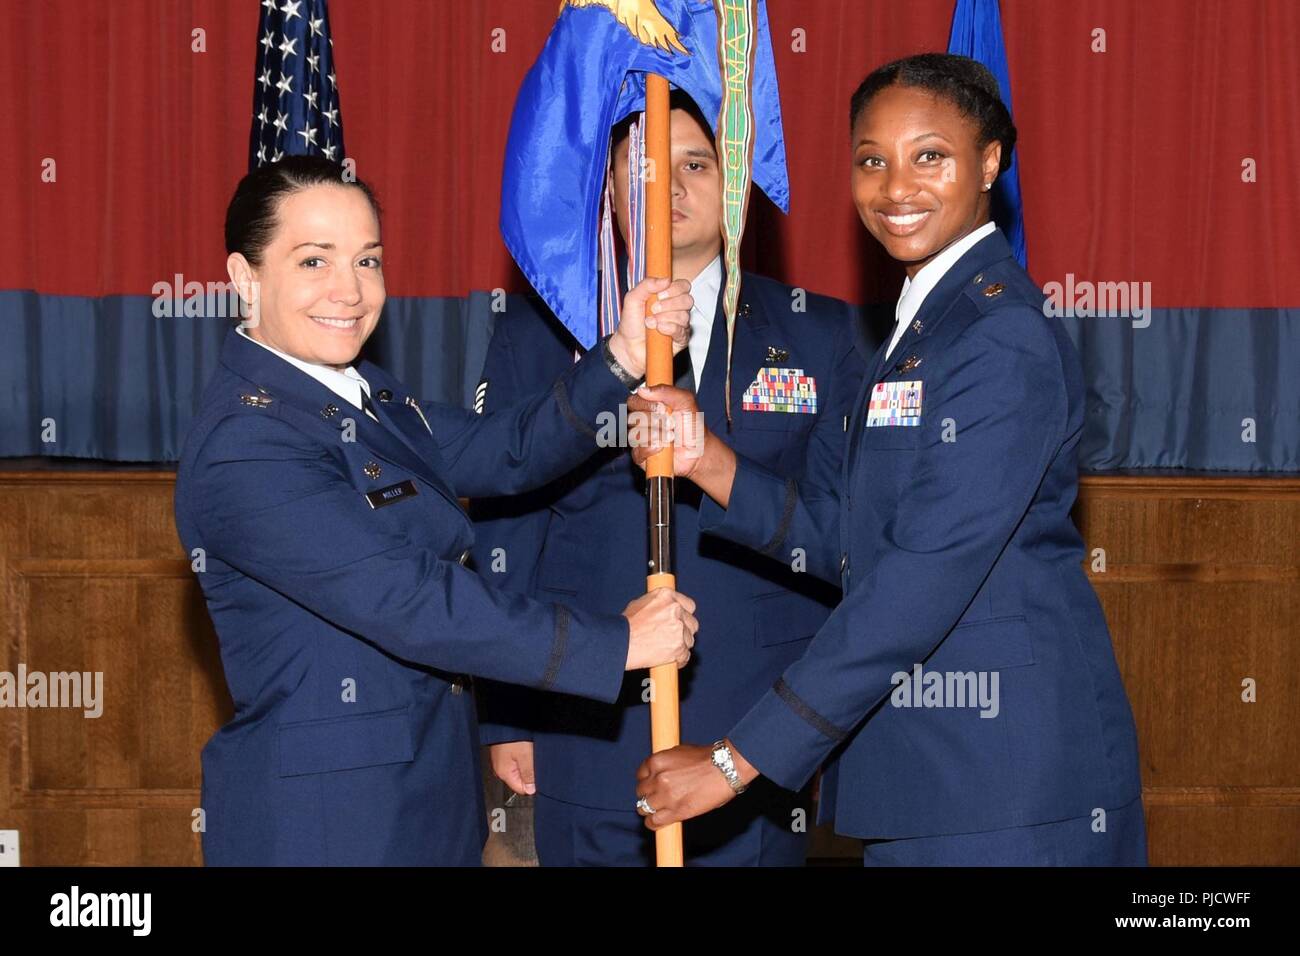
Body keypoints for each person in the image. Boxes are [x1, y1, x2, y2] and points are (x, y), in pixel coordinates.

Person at [629, 54, 1147, 866]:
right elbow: (849, 540)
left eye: (929, 156)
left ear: (989, 163)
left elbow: (920, 578)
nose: (895, 187)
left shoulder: (997, 336)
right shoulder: (911, 330)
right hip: (927, 778)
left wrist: (736, 762)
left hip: (1004, 784)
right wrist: (708, 463)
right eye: (872, 159)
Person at [173, 155, 699, 866]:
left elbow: (502, 449)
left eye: (368, 260)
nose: (349, 291)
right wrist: (613, 644)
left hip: (427, 800)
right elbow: (408, 600)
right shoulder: (247, 443)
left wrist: (621, 356)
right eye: (312, 261)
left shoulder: (357, 392)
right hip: (326, 826)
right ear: (244, 278)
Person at [472, 91, 863, 865]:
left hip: (750, 730)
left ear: (738, 184)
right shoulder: (540, 331)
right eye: (646, 165)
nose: (672, 189)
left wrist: (810, 731)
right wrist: (506, 713)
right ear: (611, 184)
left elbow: (838, 540)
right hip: (588, 717)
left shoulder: (821, 334)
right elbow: (505, 527)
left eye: (697, 165)